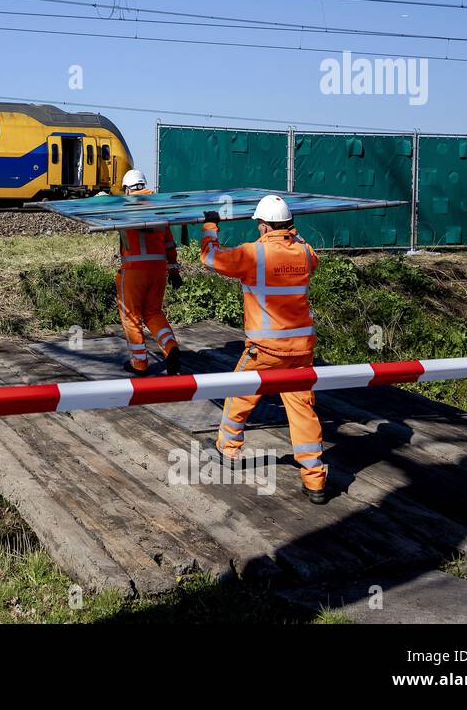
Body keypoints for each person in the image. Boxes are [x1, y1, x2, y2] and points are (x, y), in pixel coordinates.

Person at [200, 194, 328, 505]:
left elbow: (209, 258)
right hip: (301, 349)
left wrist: (210, 226)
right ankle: (315, 479)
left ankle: (228, 448)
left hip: (266, 348)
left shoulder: (252, 254)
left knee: (239, 393)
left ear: (262, 226)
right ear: (289, 226)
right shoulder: (304, 253)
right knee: (302, 409)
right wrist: (290, 234)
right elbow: (311, 254)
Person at [116, 170, 184, 376]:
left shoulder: (123, 205)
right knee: (153, 313)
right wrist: (173, 270)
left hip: (133, 271)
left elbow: (101, 208)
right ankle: (171, 348)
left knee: (131, 316)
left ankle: (139, 364)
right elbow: (170, 243)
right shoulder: (159, 207)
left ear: (128, 188)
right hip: (158, 270)